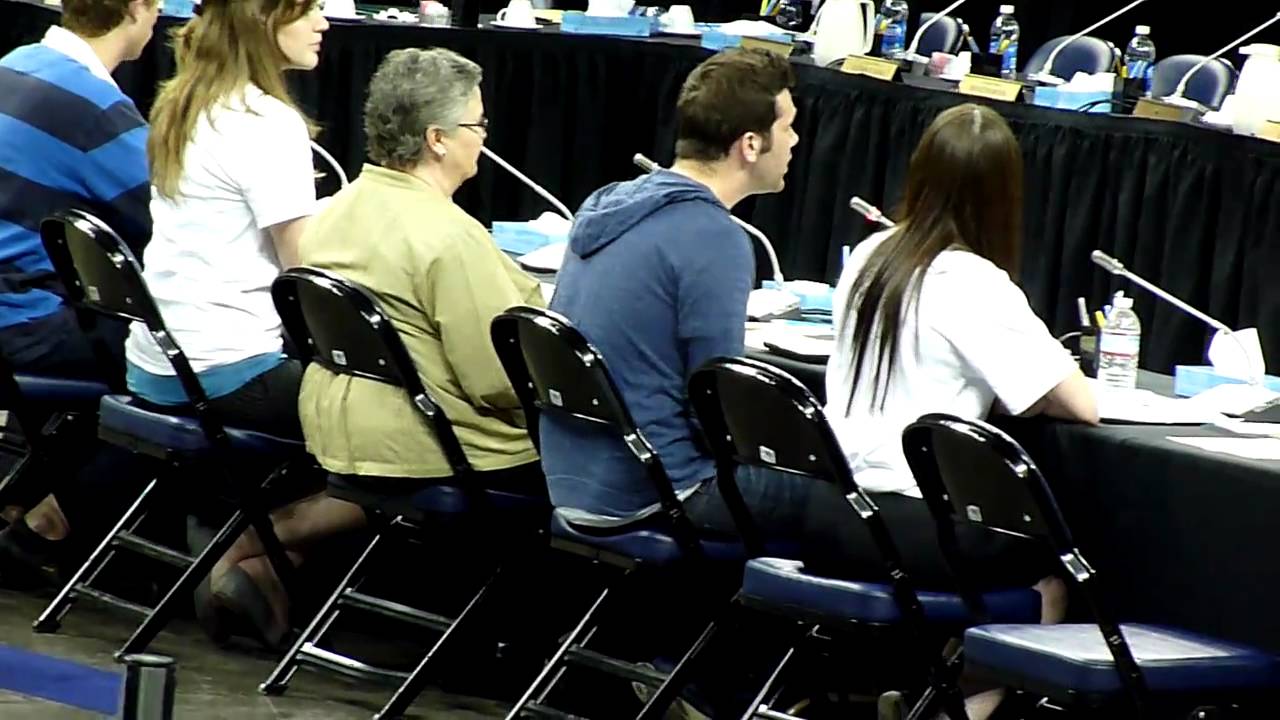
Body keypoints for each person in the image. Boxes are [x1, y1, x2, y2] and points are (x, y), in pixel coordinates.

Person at [819, 103, 1098, 720]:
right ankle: (954, 708)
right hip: (917, 523)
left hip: (838, 510)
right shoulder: (974, 281)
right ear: (1004, 197)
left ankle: (928, 693)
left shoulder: (869, 255)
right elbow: (1080, 404)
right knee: (1057, 575)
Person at [539, 48, 812, 542]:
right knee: (845, 501)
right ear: (750, 144)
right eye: (789, 126)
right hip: (659, 490)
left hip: (571, 479)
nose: (795, 141)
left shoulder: (606, 203)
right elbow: (717, 409)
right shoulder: (716, 238)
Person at [124, 0, 330, 648]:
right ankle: (247, 555)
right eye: (314, 7)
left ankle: (250, 556)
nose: (325, 21)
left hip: (156, 361)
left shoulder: (184, 98)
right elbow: (306, 274)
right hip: (226, 371)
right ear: (267, 19)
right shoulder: (266, 122)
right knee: (392, 419)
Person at [295, 47, 546, 566]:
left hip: (338, 429)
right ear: (438, 139)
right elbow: (496, 380)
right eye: (477, 124)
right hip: (431, 446)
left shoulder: (334, 209)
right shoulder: (448, 237)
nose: (484, 137)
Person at [0, 0, 157, 587]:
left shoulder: (15, 64)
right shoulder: (96, 111)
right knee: (180, 371)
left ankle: (26, 495)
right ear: (140, 10)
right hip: (22, 322)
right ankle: (47, 527)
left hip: (13, 310)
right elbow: (165, 216)